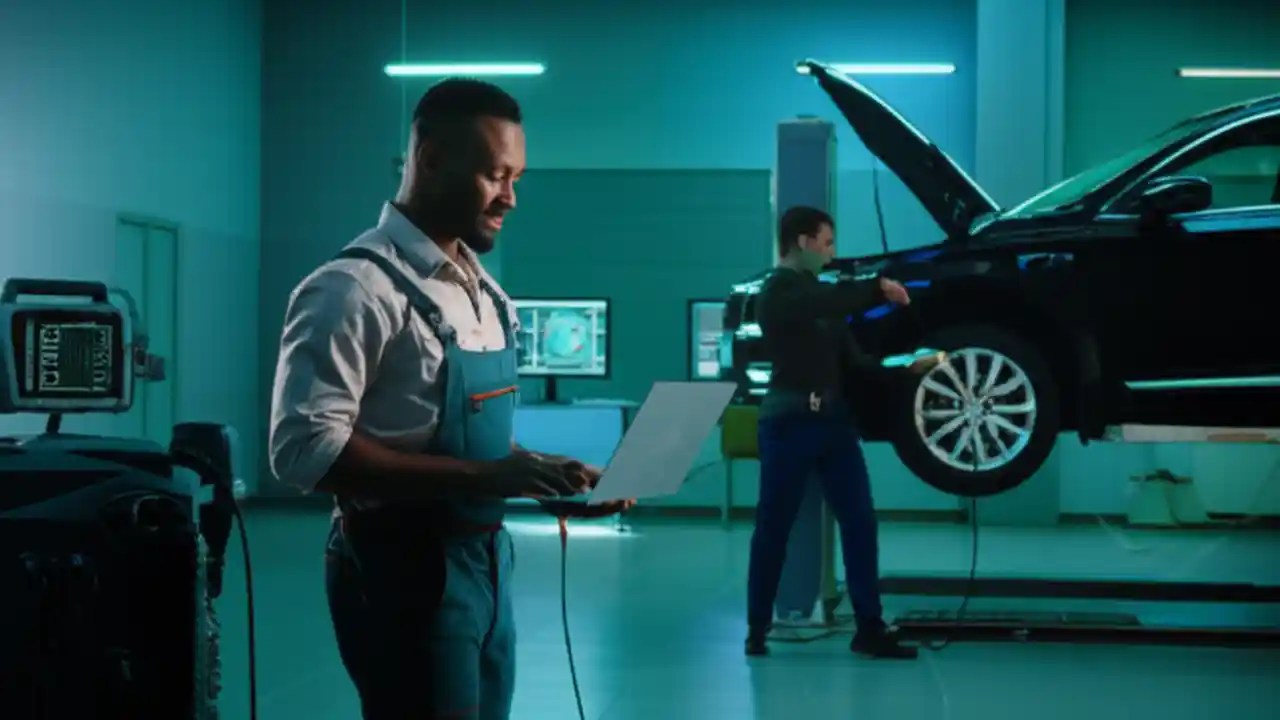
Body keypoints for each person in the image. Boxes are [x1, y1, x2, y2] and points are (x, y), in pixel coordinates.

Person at [269, 78, 631, 719]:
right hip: (399, 566)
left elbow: (467, 434)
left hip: (486, 559)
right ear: (431, 159)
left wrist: (546, 476)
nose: (511, 197)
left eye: (516, 178)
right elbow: (304, 452)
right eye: (495, 175)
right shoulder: (352, 290)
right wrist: (490, 477)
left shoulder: (486, 295)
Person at [744, 205, 927, 660]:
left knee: (860, 522)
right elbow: (820, 302)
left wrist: (906, 368)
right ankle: (757, 628)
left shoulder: (823, 301)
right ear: (802, 242)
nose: (831, 253)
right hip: (788, 424)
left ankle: (869, 627)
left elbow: (857, 364)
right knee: (774, 526)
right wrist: (875, 288)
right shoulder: (777, 292)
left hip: (834, 425)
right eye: (826, 243)